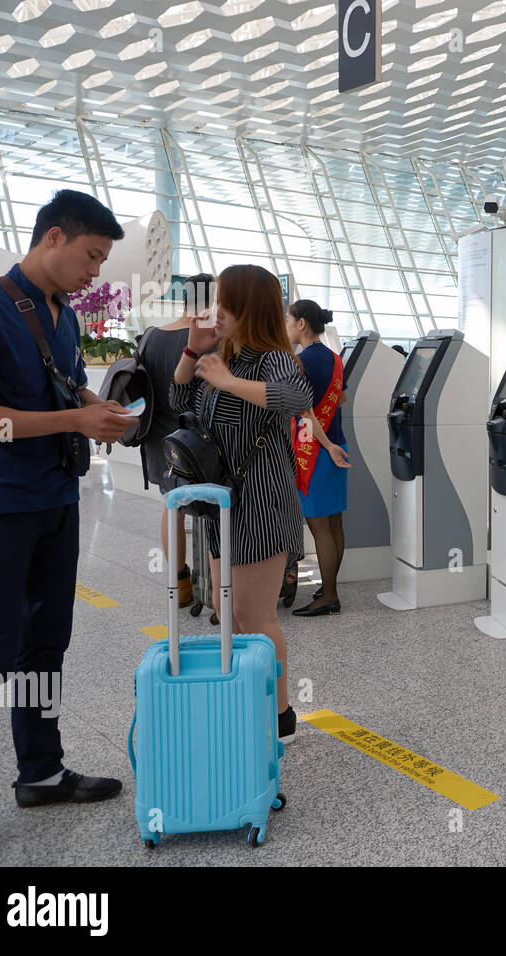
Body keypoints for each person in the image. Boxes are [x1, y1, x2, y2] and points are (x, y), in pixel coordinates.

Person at [0, 189, 133, 867]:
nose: (96, 273)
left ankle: (41, 773)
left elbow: (62, 386)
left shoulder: (60, 314)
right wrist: (72, 422)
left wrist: (96, 407)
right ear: (53, 238)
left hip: (57, 500)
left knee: (46, 645)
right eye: (91, 256)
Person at [171, 264, 313, 745]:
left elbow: (295, 399)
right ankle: (243, 698)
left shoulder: (272, 359)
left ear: (248, 307)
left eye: (225, 304)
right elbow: (178, 397)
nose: (217, 313)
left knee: (256, 617)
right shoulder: (222, 353)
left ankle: (280, 715)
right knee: (225, 610)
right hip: (221, 506)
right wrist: (193, 350)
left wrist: (227, 380)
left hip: (261, 503)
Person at [140, 273, 214, 607]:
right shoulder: (211, 338)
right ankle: (216, 587)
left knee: (173, 508)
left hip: (160, 441)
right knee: (214, 511)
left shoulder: (152, 336)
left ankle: (180, 582)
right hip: (201, 443)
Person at [285, 299, 351, 616]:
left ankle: (329, 596)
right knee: (335, 524)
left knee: (319, 528)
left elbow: (304, 412)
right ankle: (329, 588)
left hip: (317, 453)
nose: (286, 326)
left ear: (301, 324)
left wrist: (320, 439)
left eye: (288, 320)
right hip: (338, 444)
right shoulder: (335, 359)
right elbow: (343, 398)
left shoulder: (301, 361)